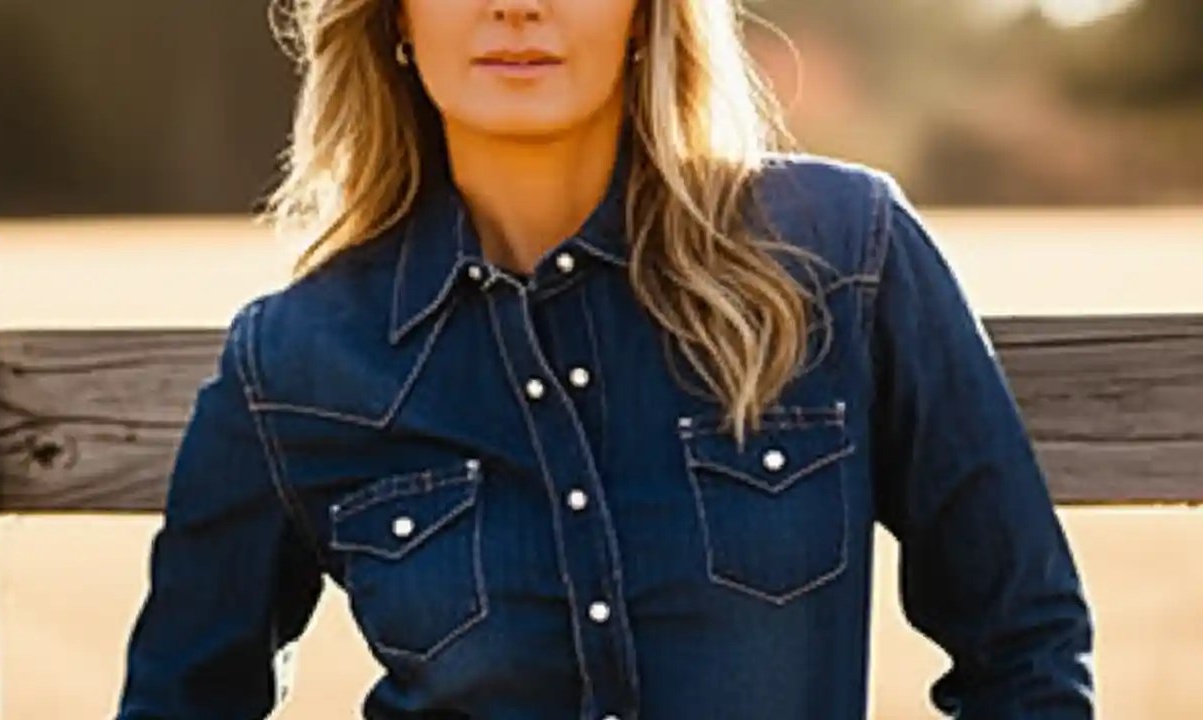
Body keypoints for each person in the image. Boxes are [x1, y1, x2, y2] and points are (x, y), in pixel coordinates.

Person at [115, 0, 1095, 717]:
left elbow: (1023, 649)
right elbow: (180, 701)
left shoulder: (843, 256)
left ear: (642, 15)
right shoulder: (293, 360)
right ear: (395, 22)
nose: (515, 8)